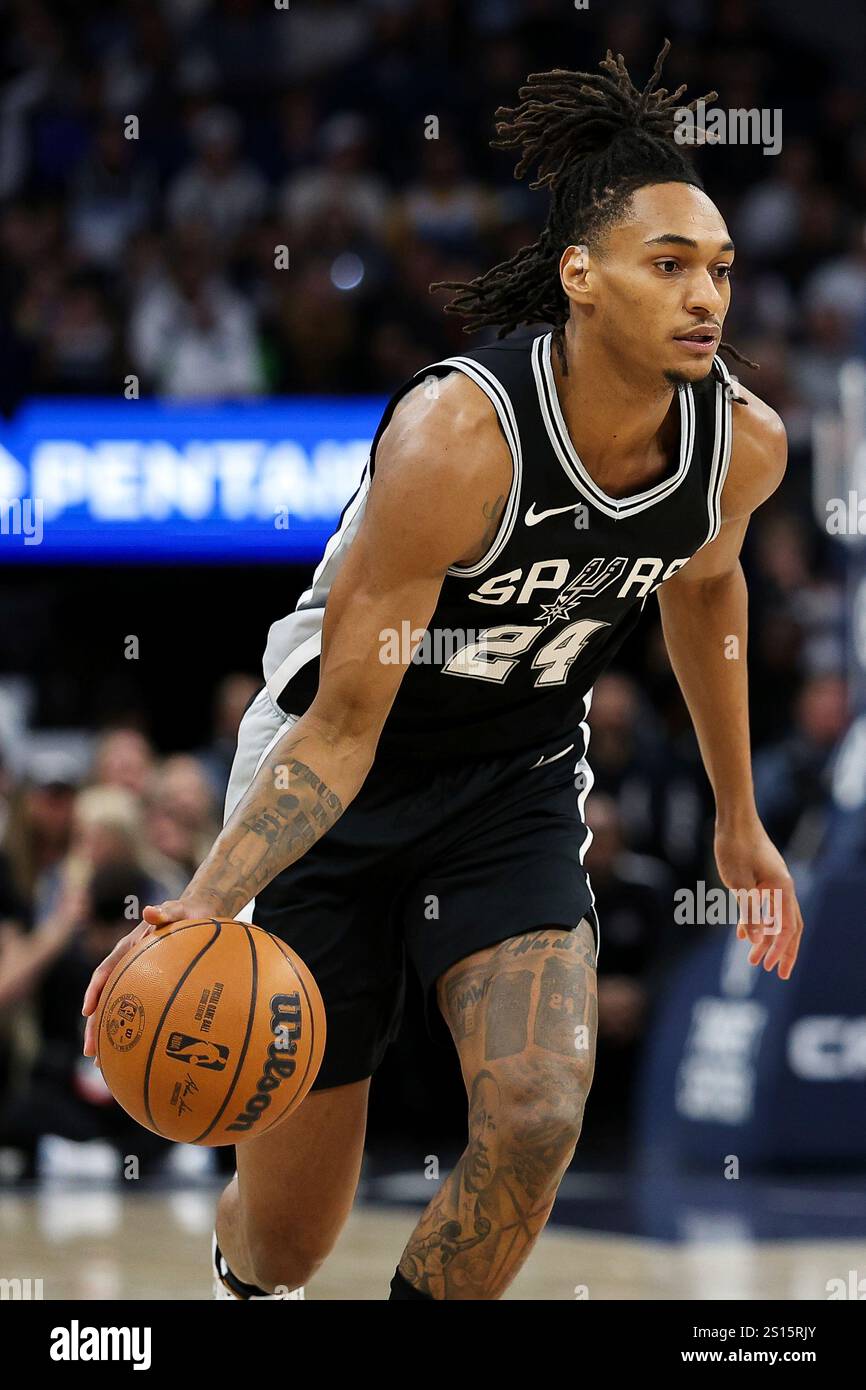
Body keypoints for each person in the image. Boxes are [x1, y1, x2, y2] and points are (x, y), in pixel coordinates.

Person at [82, 44, 805, 1301]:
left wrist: (737, 819)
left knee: (533, 1116)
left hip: (508, 778)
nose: (706, 297)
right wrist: (207, 900)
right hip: (335, 776)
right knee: (290, 1239)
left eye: (720, 270)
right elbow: (343, 724)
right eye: (669, 265)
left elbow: (703, 586)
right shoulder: (457, 437)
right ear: (579, 277)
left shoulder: (737, 445)